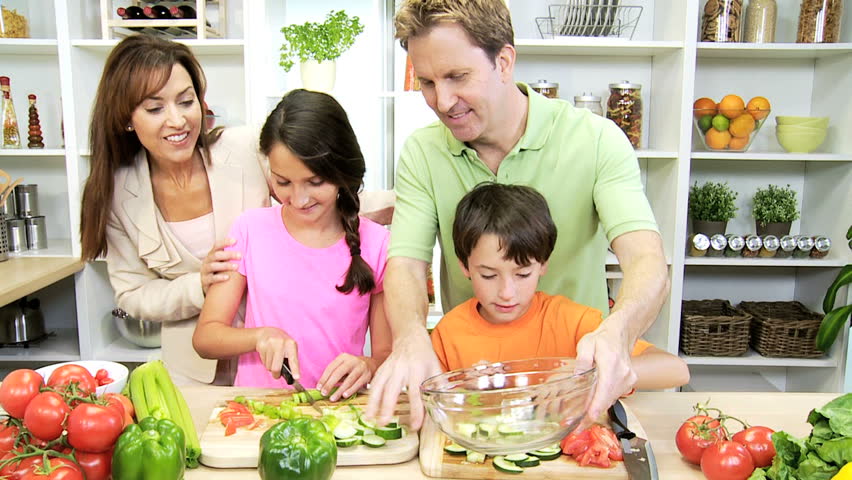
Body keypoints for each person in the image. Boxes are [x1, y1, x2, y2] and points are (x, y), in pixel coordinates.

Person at [367, 0, 670, 429]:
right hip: (481, 399)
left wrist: (617, 334)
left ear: (504, 61)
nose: (442, 100)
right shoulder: (423, 151)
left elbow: (647, 260)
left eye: (457, 77)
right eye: (428, 82)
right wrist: (411, 337)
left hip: (579, 395)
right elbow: (406, 265)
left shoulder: (597, 139)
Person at [79, 34, 393, 385]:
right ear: (126, 118)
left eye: (186, 101)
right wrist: (199, 284)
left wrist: (408, 207)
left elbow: (312, 178)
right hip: (196, 365)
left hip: (287, 369)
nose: (178, 120)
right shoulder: (117, 195)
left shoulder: (242, 147)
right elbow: (133, 294)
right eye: (155, 109)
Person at [192, 89, 391, 398]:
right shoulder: (250, 230)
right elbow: (205, 338)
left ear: (342, 172)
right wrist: (260, 336)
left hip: (336, 412)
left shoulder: (377, 244)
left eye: (315, 182)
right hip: (259, 413)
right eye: (283, 182)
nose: (298, 199)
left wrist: (368, 365)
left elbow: (386, 353)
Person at [431, 183, 689, 395]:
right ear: (465, 266)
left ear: (543, 265)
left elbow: (675, 369)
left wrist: (582, 374)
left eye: (522, 274)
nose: (507, 292)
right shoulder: (450, 333)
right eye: (488, 275)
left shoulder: (571, 321)